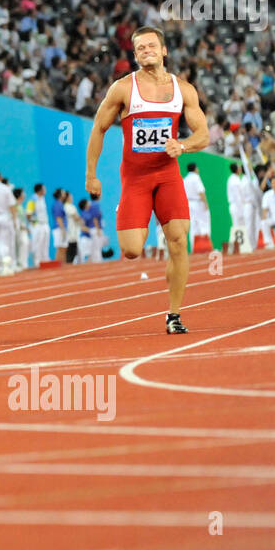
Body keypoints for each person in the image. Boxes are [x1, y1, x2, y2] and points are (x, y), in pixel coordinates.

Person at [86, 26, 209, 332]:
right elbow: (99, 128)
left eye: (151, 46)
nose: (146, 51)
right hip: (136, 179)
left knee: (179, 240)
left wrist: (182, 145)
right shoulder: (123, 89)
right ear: (135, 54)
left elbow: (203, 135)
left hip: (167, 176)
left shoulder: (184, 90)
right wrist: (92, 173)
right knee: (131, 250)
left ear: (164, 50)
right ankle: (129, 212)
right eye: (139, 48)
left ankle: (174, 314)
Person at [182, 162, 210, 249]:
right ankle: (205, 246)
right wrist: (205, 203)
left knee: (193, 225)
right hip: (198, 203)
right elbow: (200, 191)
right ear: (195, 168)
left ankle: (195, 248)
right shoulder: (196, 178)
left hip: (189, 203)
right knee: (203, 223)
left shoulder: (185, 179)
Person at [30, 182, 52, 264]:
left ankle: (45, 258)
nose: (45, 190)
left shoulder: (42, 199)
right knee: (38, 243)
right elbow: (28, 213)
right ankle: (37, 261)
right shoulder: (33, 200)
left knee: (45, 242)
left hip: (45, 224)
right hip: (38, 225)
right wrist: (34, 223)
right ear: (40, 190)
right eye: (44, 189)